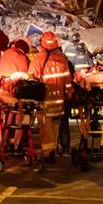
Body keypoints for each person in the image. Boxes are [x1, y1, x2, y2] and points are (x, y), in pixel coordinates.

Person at [28, 31, 73, 160]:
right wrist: (69, 94)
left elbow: (31, 80)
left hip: (44, 101)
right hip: (59, 101)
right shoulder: (62, 59)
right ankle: (55, 149)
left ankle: (49, 153)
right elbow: (67, 80)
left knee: (46, 128)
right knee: (55, 126)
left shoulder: (37, 59)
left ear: (42, 43)